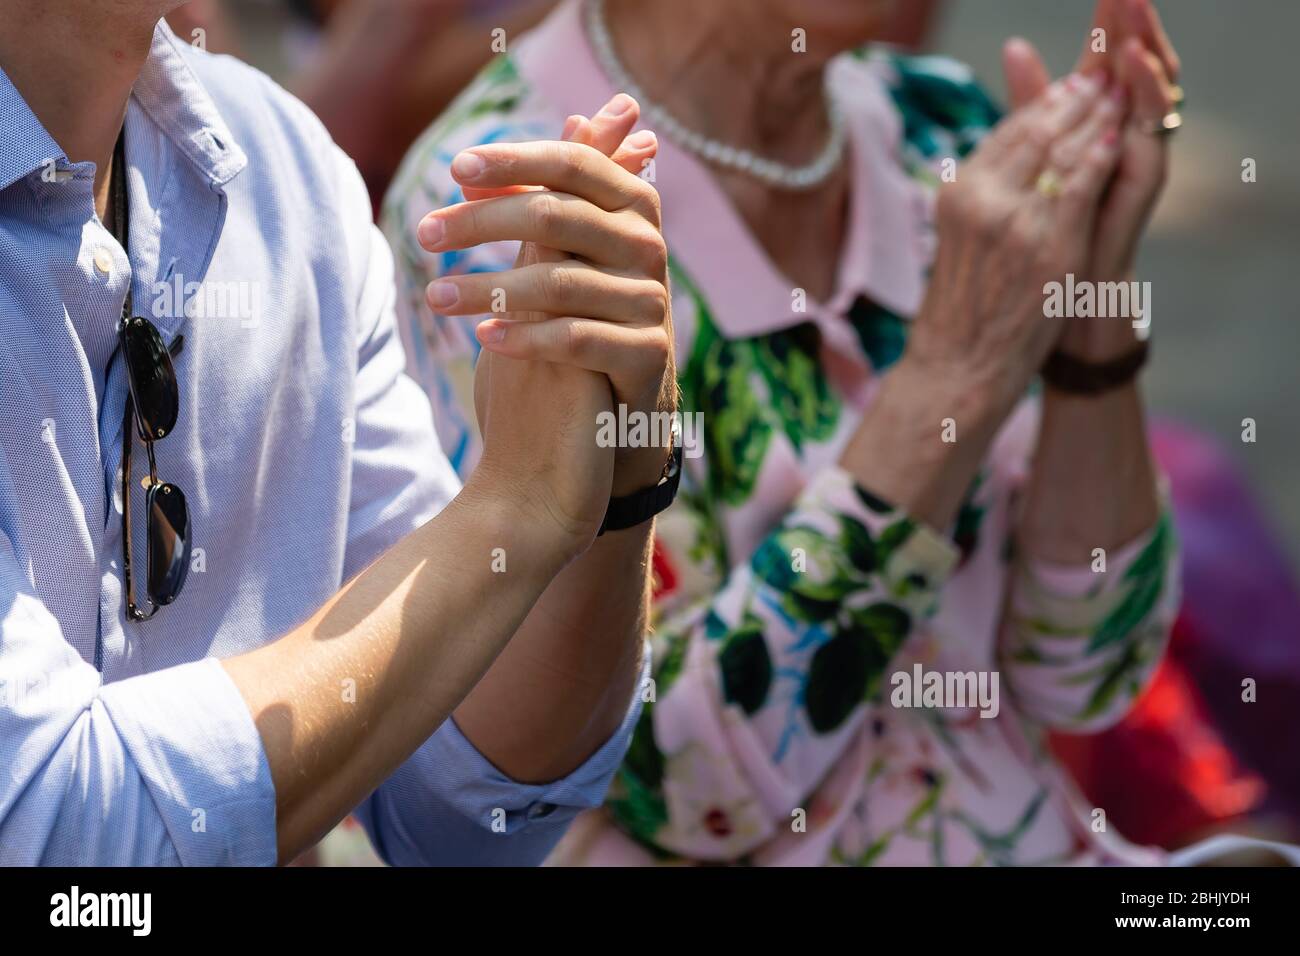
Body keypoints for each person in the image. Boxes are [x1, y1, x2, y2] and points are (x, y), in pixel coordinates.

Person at [386, 0, 1188, 864]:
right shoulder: (512, 201)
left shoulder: (934, 127)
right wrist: (950, 381)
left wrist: (1093, 310)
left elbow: (1089, 671)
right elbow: (672, 785)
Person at [0, 0, 674, 865]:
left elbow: (466, 810)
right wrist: (511, 514)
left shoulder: (284, 164)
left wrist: (618, 482)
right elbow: (61, 838)